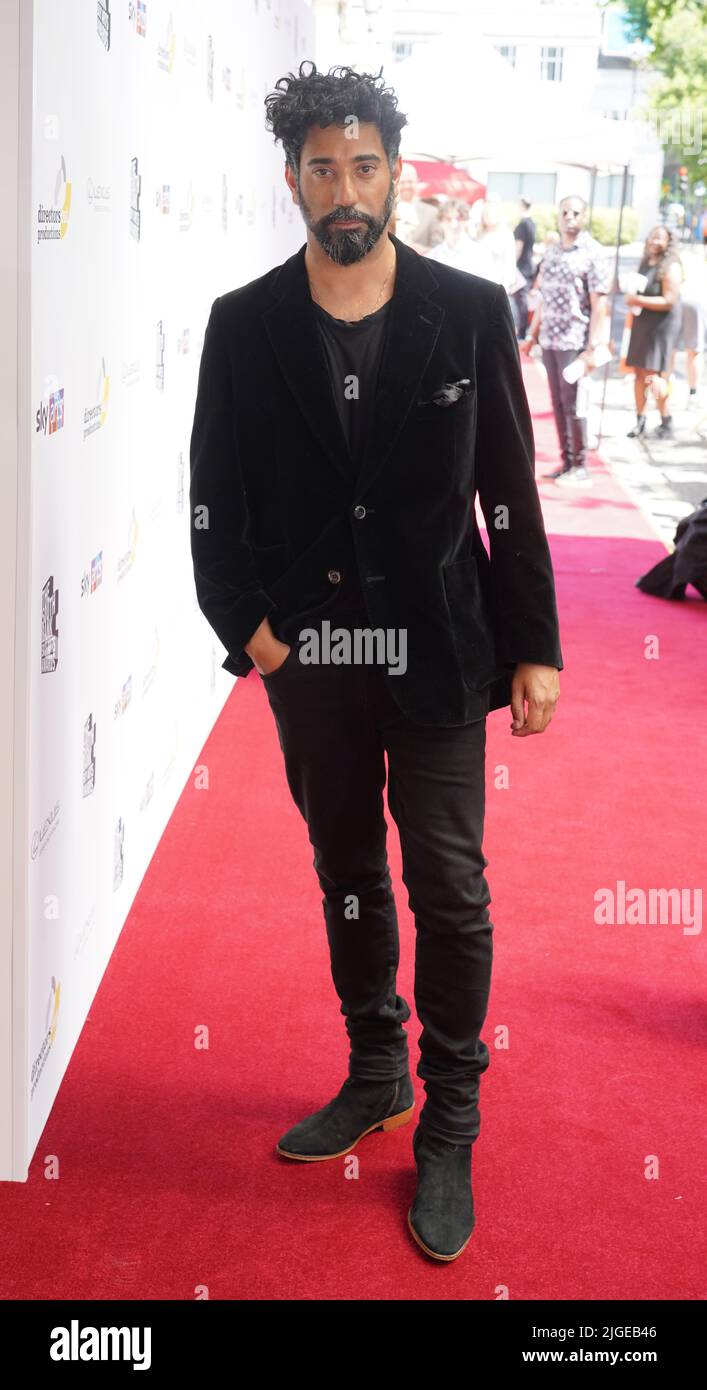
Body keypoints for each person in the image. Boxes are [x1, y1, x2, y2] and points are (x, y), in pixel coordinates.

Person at [189, 60, 562, 1264]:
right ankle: (374, 1067)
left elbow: (506, 492)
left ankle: (447, 1118)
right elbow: (212, 501)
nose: (342, 187)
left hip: (446, 646)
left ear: (393, 172)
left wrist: (534, 646)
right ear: (289, 177)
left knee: (448, 883)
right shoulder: (242, 324)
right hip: (316, 658)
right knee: (345, 865)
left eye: (362, 165)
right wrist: (254, 632)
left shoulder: (464, 308)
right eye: (319, 167)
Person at [522, 195, 611, 486]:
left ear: (584, 217)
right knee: (558, 403)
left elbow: (600, 304)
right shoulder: (552, 253)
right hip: (550, 339)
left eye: (575, 213)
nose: (570, 217)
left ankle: (581, 464)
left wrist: (593, 346)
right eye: (565, 212)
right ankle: (566, 461)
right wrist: (532, 335)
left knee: (575, 403)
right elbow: (543, 299)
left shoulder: (593, 253)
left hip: (576, 339)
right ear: (558, 217)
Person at [624, 225, 683, 439]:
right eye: (652, 237)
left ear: (668, 242)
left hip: (662, 325)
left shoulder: (671, 266)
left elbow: (669, 301)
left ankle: (666, 418)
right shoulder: (645, 262)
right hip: (643, 321)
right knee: (639, 371)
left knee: (655, 375)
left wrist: (637, 300)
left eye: (660, 238)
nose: (655, 241)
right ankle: (640, 419)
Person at [392, 161, 440, 253]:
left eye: (410, 182)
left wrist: (423, 250)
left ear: (417, 182)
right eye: (403, 182)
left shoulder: (432, 212)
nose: (406, 186)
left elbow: (440, 247)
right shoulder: (389, 211)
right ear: (396, 183)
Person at [424, 199, 479, 271]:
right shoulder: (432, 256)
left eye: (459, 219)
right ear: (440, 222)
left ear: (467, 221)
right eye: (448, 219)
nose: (454, 224)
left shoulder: (479, 254)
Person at [511, 196, 536, 339]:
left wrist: (511, 265)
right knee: (522, 300)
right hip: (528, 264)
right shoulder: (532, 223)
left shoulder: (523, 225)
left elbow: (518, 248)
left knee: (520, 300)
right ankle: (522, 330)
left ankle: (521, 331)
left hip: (521, 267)